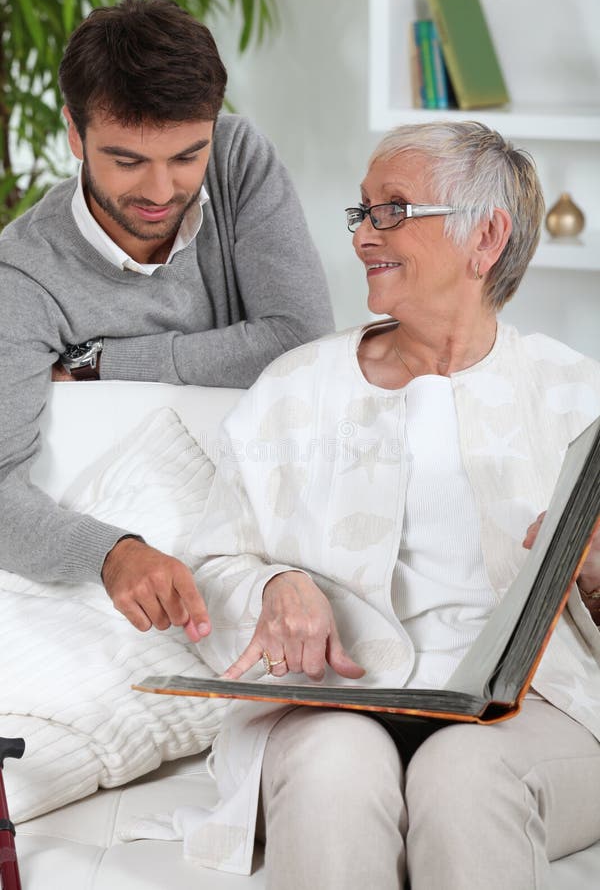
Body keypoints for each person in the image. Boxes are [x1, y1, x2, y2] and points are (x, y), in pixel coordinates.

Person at [149, 121, 600, 888]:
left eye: (392, 209)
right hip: (328, 708)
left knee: (464, 773)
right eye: (361, 212)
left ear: (484, 237)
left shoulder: (576, 396)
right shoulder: (296, 388)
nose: (363, 235)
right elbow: (210, 565)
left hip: (535, 713)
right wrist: (269, 588)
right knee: (335, 769)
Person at [0, 0, 333, 639]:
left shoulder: (237, 159)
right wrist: (111, 553)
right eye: (128, 161)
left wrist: (103, 361)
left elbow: (301, 342)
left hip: (282, 525)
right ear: (74, 132)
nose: (160, 193)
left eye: (186, 156)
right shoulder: (20, 277)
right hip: (129, 577)